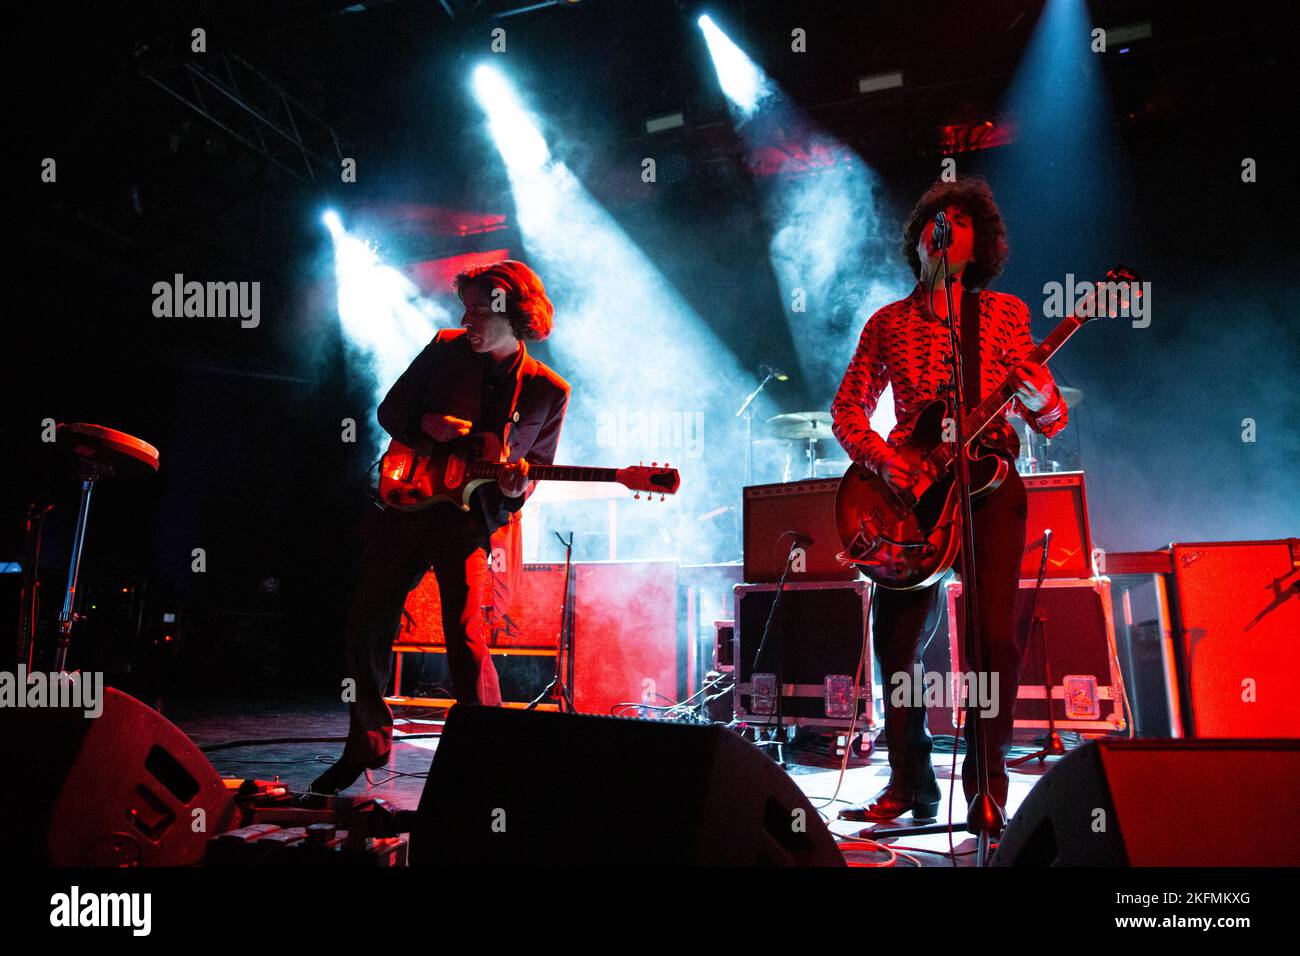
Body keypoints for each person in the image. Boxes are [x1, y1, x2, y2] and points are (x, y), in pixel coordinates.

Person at [830, 177, 1067, 829]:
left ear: (979, 243)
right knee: (895, 646)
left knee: (993, 638)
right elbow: (847, 409)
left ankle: (987, 789)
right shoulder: (887, 323)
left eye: (962, 221)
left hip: (989, 482)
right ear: (919, 239)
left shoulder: (1004, 314)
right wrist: (885, 461)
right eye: (938, 219)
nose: (947, 228)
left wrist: (1043, 396)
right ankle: (911, 783)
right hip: (911, 497)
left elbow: (1050, 421)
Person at [311, 259, 569, 795]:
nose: (466, 319)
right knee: (364, 623)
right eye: (465, 307)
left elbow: (534, 473)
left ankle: (485, 750)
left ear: (514, 315)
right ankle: (367, 740)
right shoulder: (445, 349)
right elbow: (390, 411)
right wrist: (424, 424)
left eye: (479, 311)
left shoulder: (548, 390)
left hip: (468, 522)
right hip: (407, 507)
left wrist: (516, 488)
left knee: (465, 634)